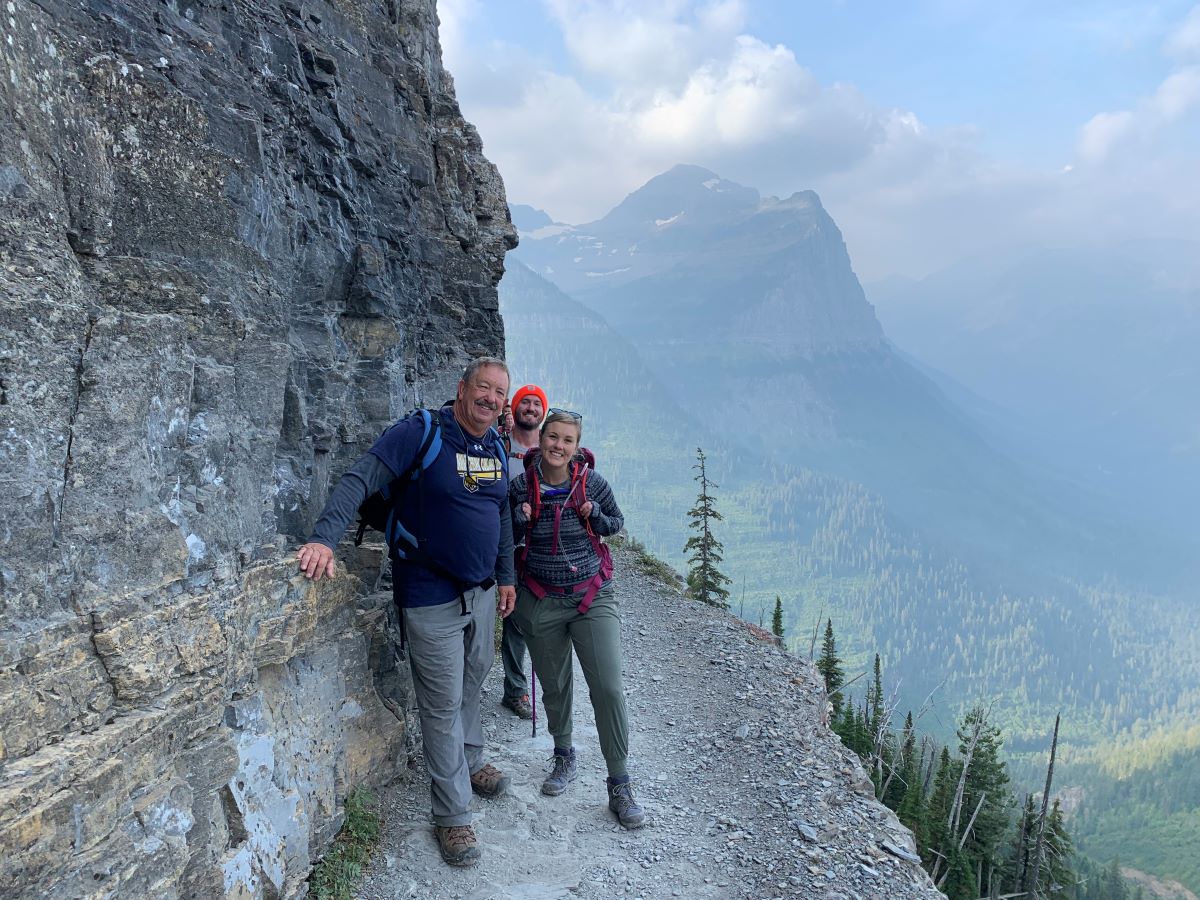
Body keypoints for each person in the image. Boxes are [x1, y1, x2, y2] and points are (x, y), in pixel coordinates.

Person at [296, 357, 517, 868]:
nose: (489, 398)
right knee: (441, 704)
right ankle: (453, 816)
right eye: (482, 388)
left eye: (498, 392)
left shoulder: (495, 445)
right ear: (461, 389)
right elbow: (359, 478)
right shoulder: (421, 431)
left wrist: (505, 575)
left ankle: (473, 759)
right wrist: (323, 539)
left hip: (482, 593)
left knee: (472, 679)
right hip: (429, 594)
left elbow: (500, 511)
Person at [508, 409, 645, 828]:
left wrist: (594, 516)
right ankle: (563, 754)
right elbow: (503, 533)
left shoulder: (591, 482)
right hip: (540, 597)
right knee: (555, 685)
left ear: (576, 445)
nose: (558, 446)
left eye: (567, 440)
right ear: (541, 438)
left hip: (591, 594)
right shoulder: (520, 487)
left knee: (607, 687)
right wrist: (519, 517)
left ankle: (619, 783)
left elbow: (615, 523)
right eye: (553, 437)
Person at [497, 383, 548, 719]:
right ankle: (514, 690)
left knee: (521, 620)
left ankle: (516, 690)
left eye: (536, 404)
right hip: (500, 541)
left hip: (536, 546)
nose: (530, 408)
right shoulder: (500, 443)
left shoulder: (549, 448)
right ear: (513, 409)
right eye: (524, 403)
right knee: (503, 616)